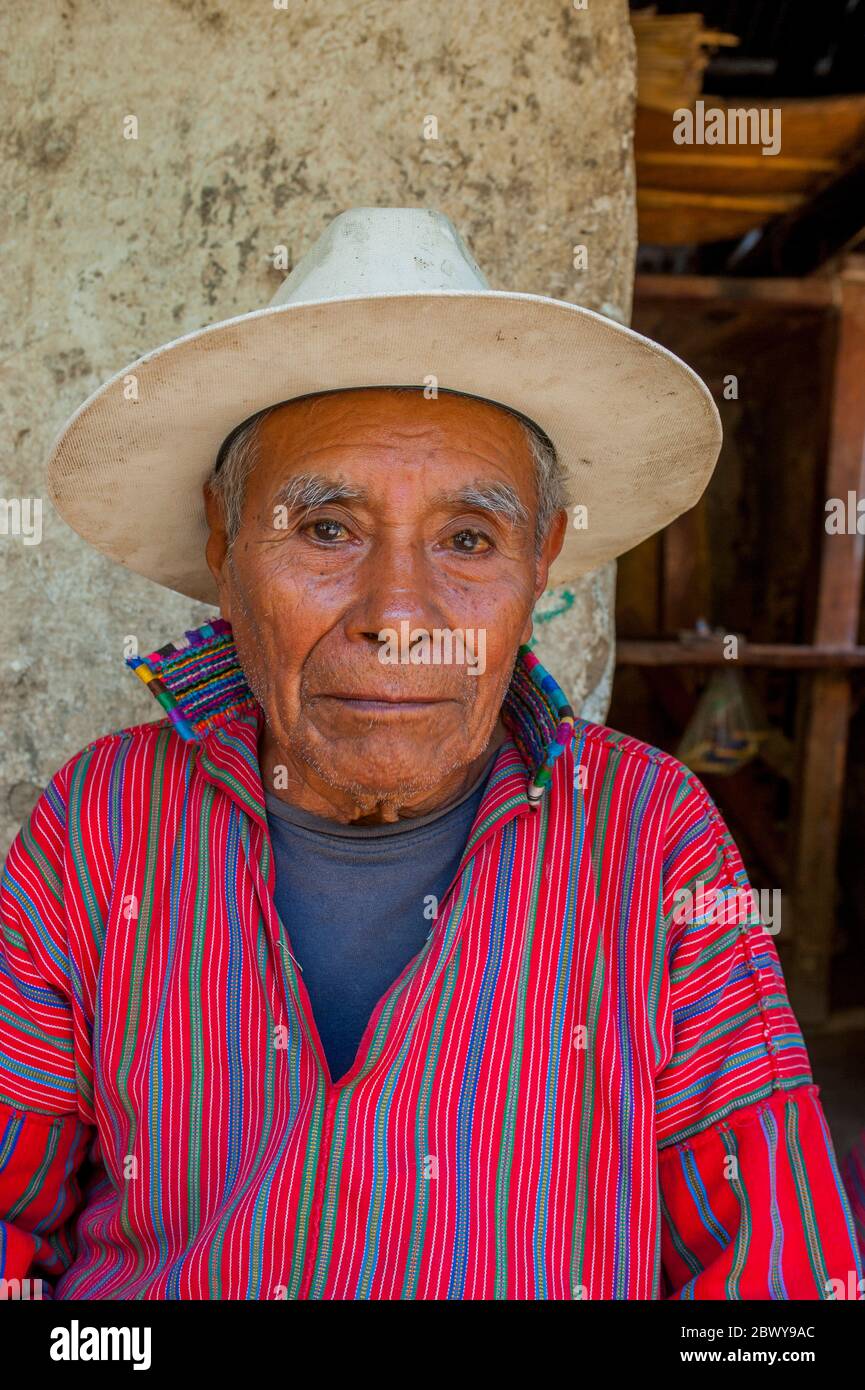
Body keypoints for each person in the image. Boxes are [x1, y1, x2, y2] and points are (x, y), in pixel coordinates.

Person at [1, 208, 860, 1300]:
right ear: (225, 540)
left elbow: (774, 1280)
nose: (400, 615)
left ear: (541, 559)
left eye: (468, 539)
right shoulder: (102, 825)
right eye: (325, 530)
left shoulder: (651, 841)